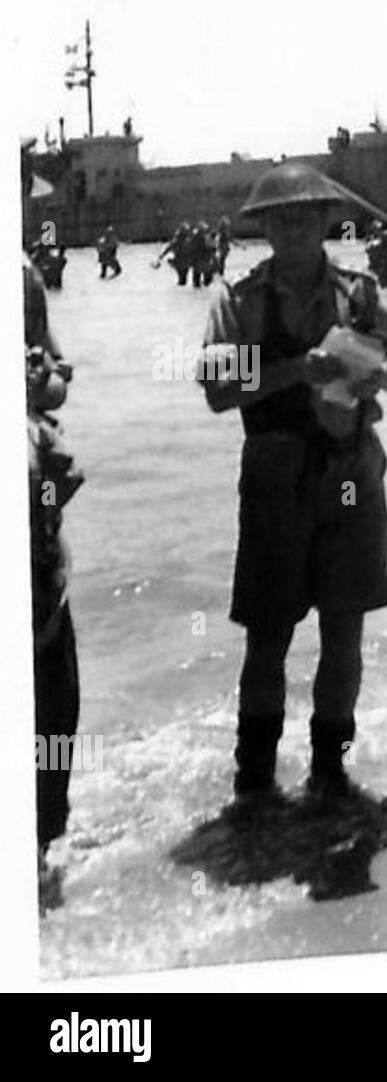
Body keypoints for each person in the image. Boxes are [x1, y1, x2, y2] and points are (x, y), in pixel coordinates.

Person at [195, 160, 387, 812]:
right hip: (274, 484)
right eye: (279, 218)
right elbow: (217, 390)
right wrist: (298, 368)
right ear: (263, 227)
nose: (292, 228)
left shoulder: (359, 294)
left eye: (305, 217)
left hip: (351, 475)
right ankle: (256, 783)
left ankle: (330, 771)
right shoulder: (238, 302)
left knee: (345, 631)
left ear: (327, 221)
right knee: (267, 636)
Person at [23, 142, 84, 913]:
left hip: (35, 514)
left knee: (55, 700)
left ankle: (41, 845)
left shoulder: (23, 279)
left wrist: (43, 379)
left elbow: (60, 377)